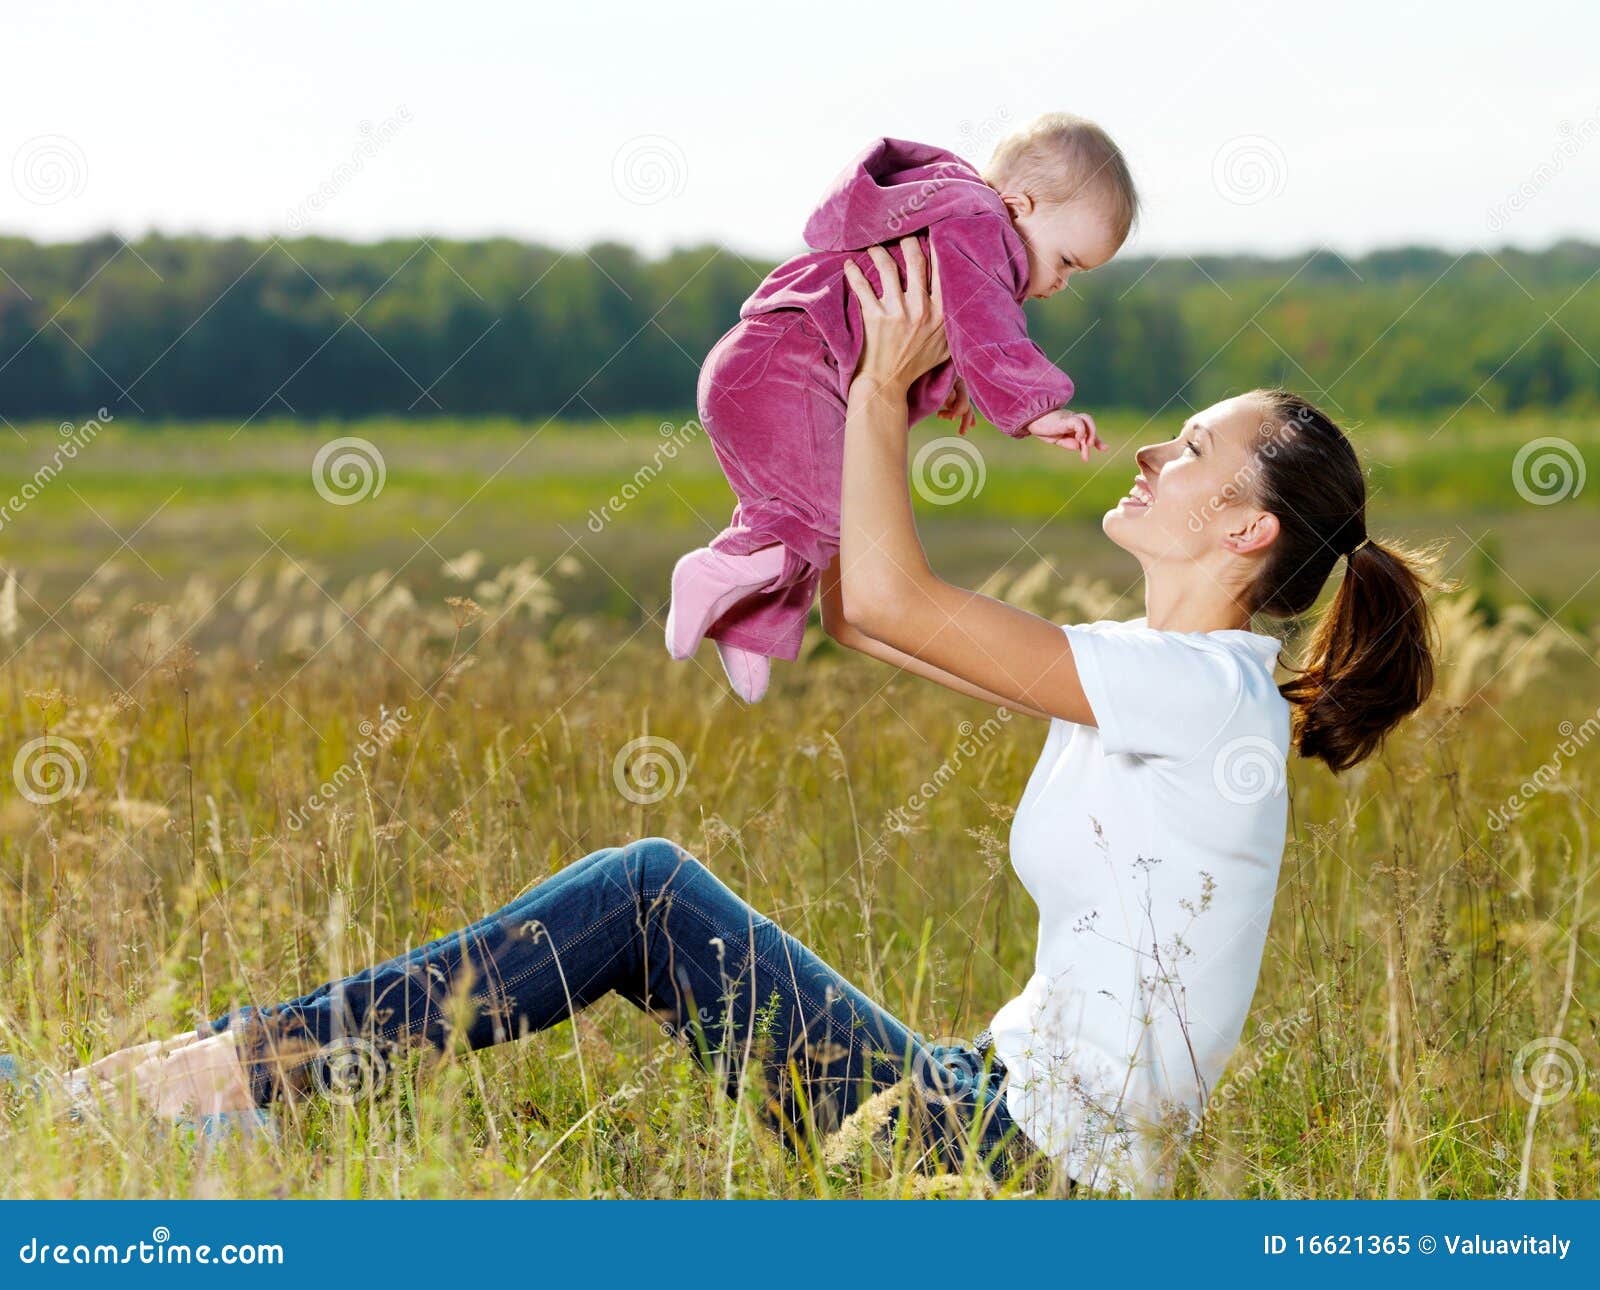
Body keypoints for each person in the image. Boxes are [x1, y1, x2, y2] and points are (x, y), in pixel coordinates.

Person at [56, 238, 1435, 1198]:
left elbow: (894, 600)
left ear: (1248, 527)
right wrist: (830, 395)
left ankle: (226, 1080)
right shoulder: (1144, 661)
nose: (1153, 450)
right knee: (647, 907)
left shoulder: (1197, 692)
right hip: (975, 1107)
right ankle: (191, 1079)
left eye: (1192, 448)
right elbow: (860, 610)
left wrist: (887, 388)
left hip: (1022, 1177)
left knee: (648, 892)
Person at [665, 113, 1135, 702]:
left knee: (810, 516)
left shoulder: (951, 221)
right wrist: (1036, 408)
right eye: (1067, 261)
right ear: (1019, 207)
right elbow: (989, 326)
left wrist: (956, 377)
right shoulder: (981, 223)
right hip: (786, 368)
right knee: (843, 512)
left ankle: (746, 624)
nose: (1063, 282)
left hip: (762, 366)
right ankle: (714, 571)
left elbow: (955, 318)